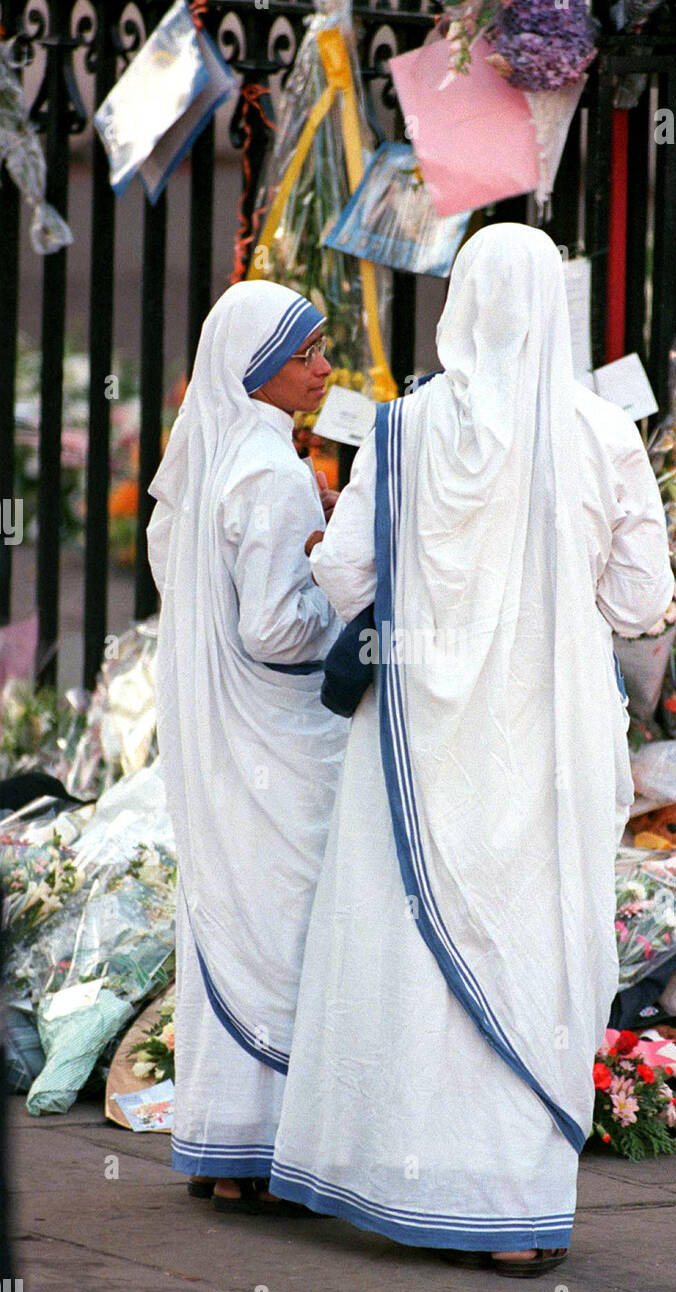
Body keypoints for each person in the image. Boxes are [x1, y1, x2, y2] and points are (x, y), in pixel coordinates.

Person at [267, 224, 674, 1270]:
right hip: (551, 732)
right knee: (535, 936)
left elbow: (347, 575)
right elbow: (636, 600)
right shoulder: (601, 432)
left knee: (410, 947)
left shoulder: (401, 431)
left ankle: (409, 1175)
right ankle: (515, 1207)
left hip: (417, 727)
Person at [147, 280, 347, 1213]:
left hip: (231, 733)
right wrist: (348, 601)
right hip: (281, 731)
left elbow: (175, 572)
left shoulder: (207, 465)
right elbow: (274, 628)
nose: (324, 366)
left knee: (229, 916)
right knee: (286, 921)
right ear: (259, 370)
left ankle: (225, 1149)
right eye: (306, 353)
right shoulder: (271, 473)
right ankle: (269, 1144)